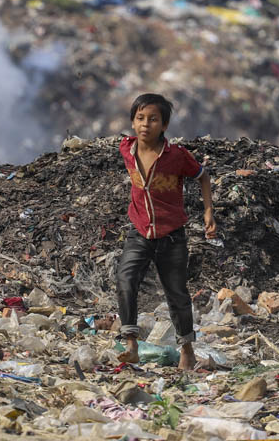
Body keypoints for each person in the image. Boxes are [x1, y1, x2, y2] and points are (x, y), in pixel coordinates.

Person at [116, 93, 216, 370]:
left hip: (172, 235)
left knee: (176, 293)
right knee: (126, 280)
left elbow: (203, 175)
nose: (145, 124)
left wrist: (208, 211)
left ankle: (187, 349)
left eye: (153, 119)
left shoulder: (177, 157)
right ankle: (131, 343)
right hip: (139, 231)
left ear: (164, 125)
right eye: (139, 118)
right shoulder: (127, 149)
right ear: (133, 122)